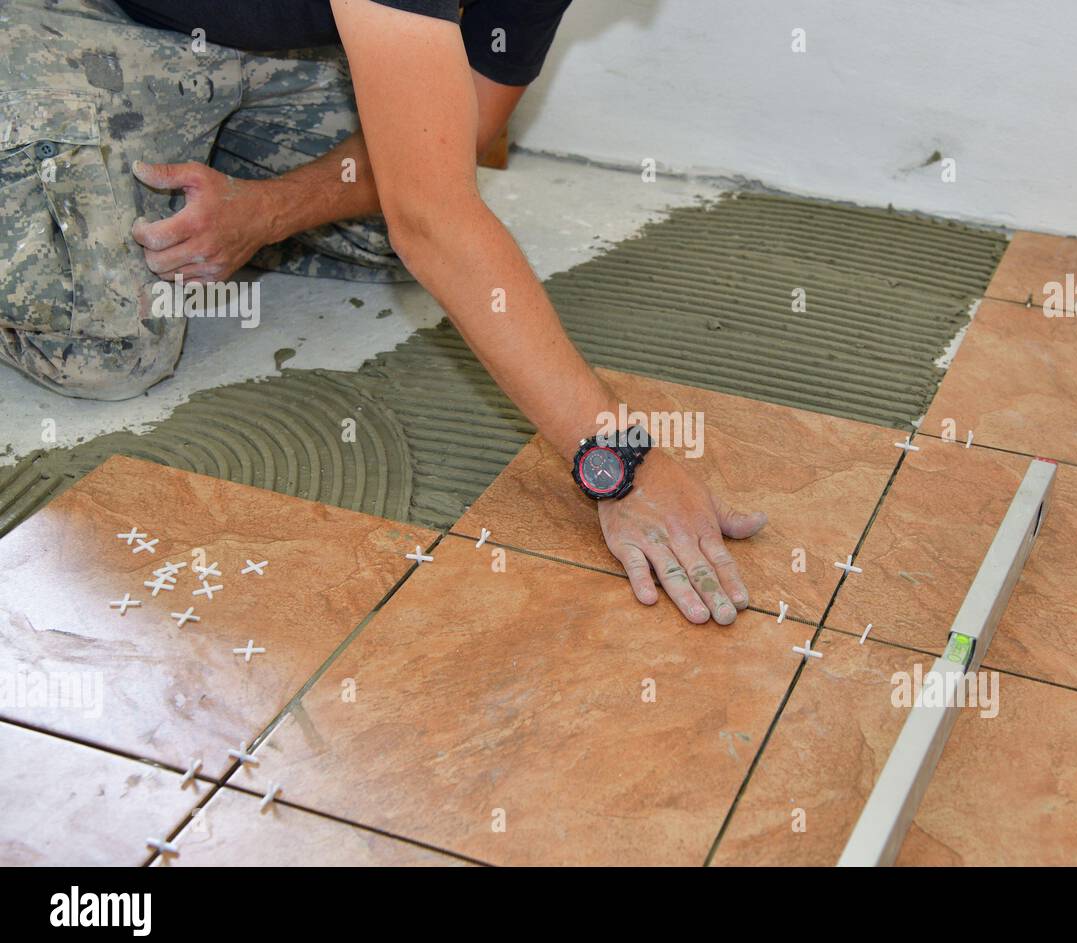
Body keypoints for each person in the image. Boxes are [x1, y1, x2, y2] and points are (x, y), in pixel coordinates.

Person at [0, 0, 766, 624]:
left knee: (404, 212)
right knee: (103, 346)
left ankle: (195, 182)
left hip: (260, 42)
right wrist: (620, 466)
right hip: (83, 21)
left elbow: (471, 123)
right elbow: (434, 219)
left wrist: (265, 211)